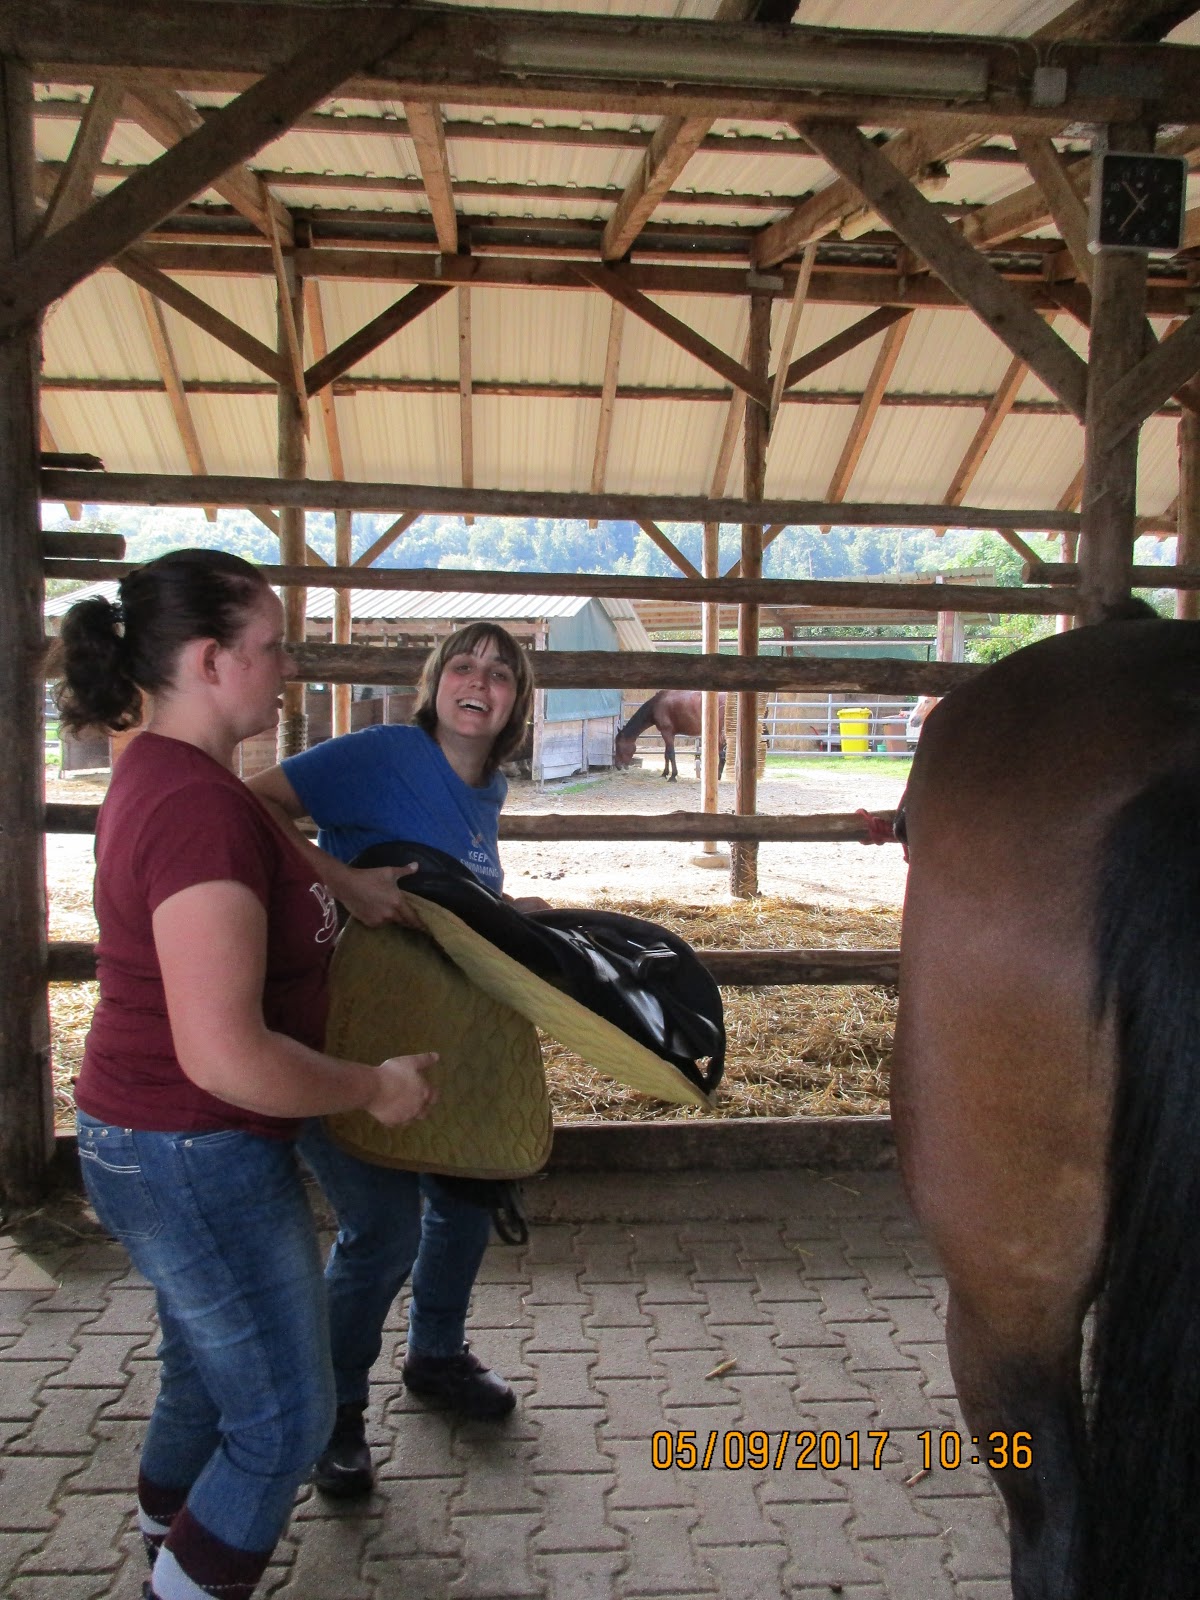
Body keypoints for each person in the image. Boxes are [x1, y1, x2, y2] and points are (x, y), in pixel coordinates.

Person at [54, 550, 437, 1600]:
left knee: (203, 1370)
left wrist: (337, 881)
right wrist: (371, 1086)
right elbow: (223, 1053)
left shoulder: (176, 774)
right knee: (284, 1417)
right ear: (213, 660)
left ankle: (166, 1539)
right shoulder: (195, 810)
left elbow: (256, 832)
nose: (287, 670)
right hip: (194, 1148)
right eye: (273, 650)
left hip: (150, 1137)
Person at [247, 621, 538, 1497]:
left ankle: (436, 1357)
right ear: (435, 680)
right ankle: (335, 1415)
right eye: (463, 663)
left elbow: (451, 886)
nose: (478, 679)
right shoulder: (377, 752)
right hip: (352, 1023)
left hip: (450, 1020)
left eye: (500, 672)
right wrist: (342, 882)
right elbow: (252, 804)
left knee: (467, 1189)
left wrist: (504, 911)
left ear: (517, 702)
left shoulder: (487, 789)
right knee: (382, 1230)